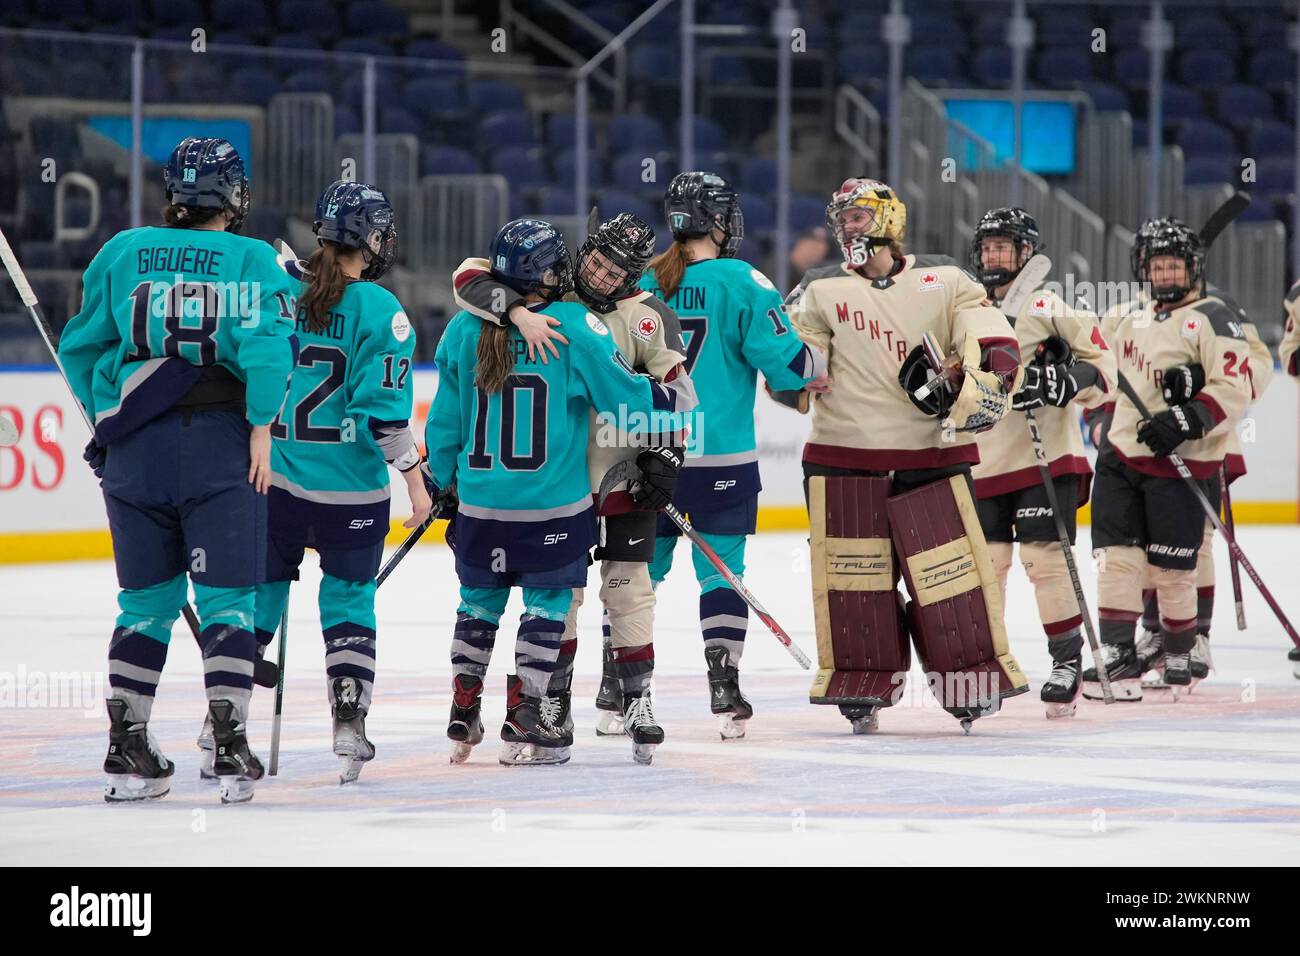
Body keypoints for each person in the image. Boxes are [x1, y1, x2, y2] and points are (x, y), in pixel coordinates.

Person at [57, 136, 296, 803]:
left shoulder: (122, 251)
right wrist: (260, 426)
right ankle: (226, 749)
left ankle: (127, 749)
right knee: (228, 601)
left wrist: (112, 421)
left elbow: (81, 348)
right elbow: (270, 347)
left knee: (145, 603)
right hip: (222, 442)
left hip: (137, 453)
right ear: (232, 196)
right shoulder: (253, 258)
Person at [425, 218, 694, 765]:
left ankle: (474, 702)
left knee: (613, 592)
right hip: (557, 497)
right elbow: (646, 399)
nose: (598, 273)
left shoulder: (464, 326)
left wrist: (443, 481)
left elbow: (445, 420)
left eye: (614, 269)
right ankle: (541, 708)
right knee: (554, 605)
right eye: (593, 261)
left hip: (569, 488)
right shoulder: (571, 319)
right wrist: (674, 418)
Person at [784, 177, 1028, 733]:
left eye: (859, 216)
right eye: (842, 218)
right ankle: (861, 684)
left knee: (953, 580)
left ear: (890, 220)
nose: (848, 227)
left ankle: (970, 680)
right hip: (842, 456)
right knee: (856, 583)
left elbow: (991, 340)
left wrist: (977, 377)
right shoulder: (819, 287)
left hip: (932, 456)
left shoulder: (945, 277)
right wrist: (794, 369)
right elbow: (797, 370)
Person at [233, 180, 429, 785]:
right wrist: (418, 487)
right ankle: (349, 723)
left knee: (259, 598)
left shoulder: (280, 288)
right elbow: (386, 420)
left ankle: (228, 720)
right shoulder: (380, 311)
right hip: (351, 497)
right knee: (347, 603)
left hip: (275, 486)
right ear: (370, 241)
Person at [640, 171, 829, 739]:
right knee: (722, 575)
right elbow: (791, 369)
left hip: (650, 457)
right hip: (721, 461)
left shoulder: (645, 279)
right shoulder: (745, 280)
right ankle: (724, 690)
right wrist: (824, 358)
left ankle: (616, 691)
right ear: (715, 221)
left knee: (637, 577)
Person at [1083, 218, 1252, 700]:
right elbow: (1097, 370)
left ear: (1192, 267)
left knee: (1174, 567)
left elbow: (1235, 388)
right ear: (1143, 268)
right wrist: (1090, 405)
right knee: (1116, 560)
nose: (1165, 274)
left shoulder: (1215, 317)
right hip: (1120, 457)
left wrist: (1187, 419)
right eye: (1157, 265)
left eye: (1174, 265)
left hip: (1184, 462)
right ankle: (1118, 653)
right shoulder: (1121, 316)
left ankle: (1178, 647)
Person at [966, 208, 1116, 718]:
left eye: (1003, 247)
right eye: (987, 247)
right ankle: (987, 665)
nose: (993, 256)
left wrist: (1062, 378)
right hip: (982, 460)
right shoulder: (965, 308)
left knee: (1045, 561)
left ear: (1025, 253)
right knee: (987, 568)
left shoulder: (1046, 302)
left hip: (1043, 456)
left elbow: (1102, 363)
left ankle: (1066, 663)